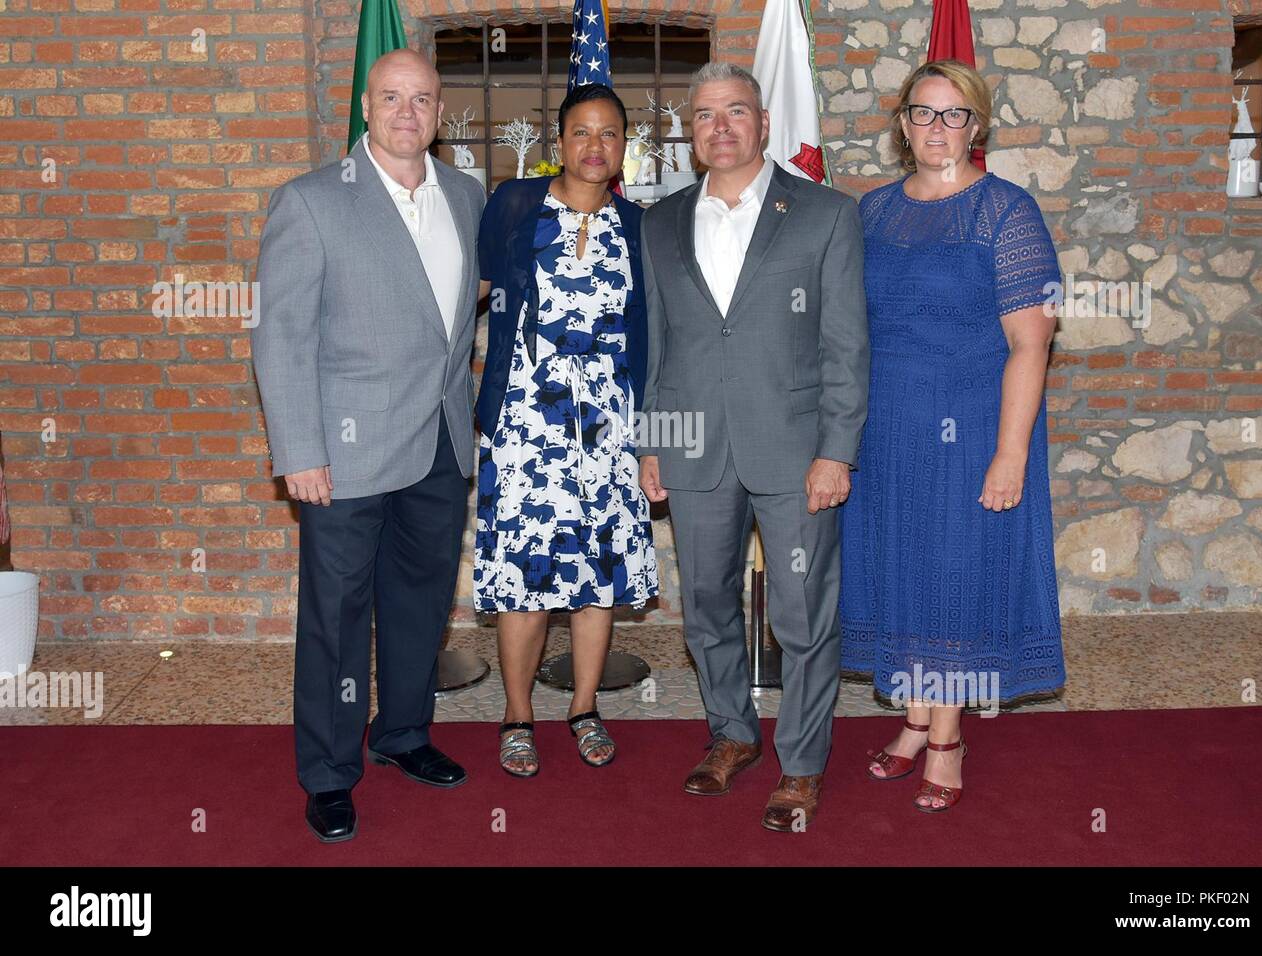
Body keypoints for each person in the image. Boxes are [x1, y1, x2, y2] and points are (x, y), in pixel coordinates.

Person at [251, 49, 485, 843]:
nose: (408, 112)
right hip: (344, 455)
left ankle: (404, 734)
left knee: (421, 606)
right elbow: (279, 338)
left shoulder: (467, 195)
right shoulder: (312, 202)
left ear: (439, 111)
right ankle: (327, 772)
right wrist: (299, 451)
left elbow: (451, 320)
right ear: (365, 104)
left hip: (440, 444)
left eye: (422, 99)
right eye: (392, 97)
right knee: (337, 619)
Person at [638, 62, 869, 831]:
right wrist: (652, 443)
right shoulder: (660, 220)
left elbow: (846, 346)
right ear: (691, 132)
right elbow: (656, 347)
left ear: (764, 124)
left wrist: (837, 450)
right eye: (705, 115)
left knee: (802, 615)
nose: (722, 126)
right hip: (694, 447)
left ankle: (801, 765)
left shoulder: (825, 214)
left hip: (797, 450)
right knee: (706, 606)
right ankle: (732, 734)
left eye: (737, 111)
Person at [839, 59, 1066, 813]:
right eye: (924, 113)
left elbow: (1031, 344)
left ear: (978, 125)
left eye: (954, 114)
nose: (938, 128)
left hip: (972, 425)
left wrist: (1010, 453)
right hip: (889, 429)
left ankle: (947, 737)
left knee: (955, 576)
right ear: (902, 123)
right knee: (905, 568)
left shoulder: (1006, 211)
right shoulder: (869, 211)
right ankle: (912, 720)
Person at [475, 84, 658, 778]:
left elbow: (653, 336)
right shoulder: (513, 205)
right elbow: (479, 296)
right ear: (558, 142)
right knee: (525, 575)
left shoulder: (639, 227)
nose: (594, 147)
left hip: (610, 425)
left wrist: (653, 436)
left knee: (595, 575)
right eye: (581, 133)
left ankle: (584, 707)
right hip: (526, 421)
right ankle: (517, 714)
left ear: (623, 149)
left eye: (609, 134)